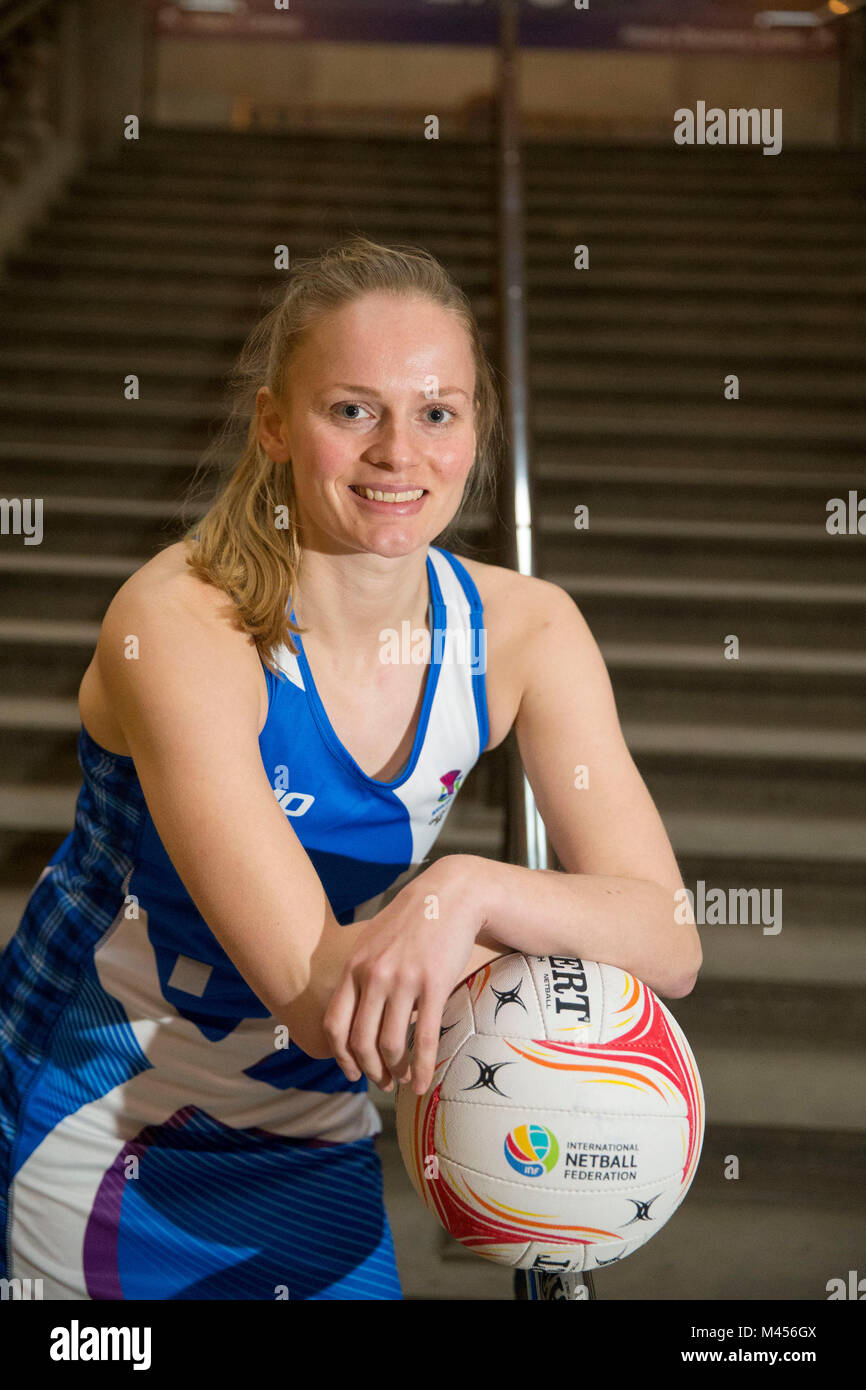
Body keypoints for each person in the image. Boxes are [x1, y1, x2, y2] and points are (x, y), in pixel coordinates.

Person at [0, 237, 701, 1301]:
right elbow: (325, 997)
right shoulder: (181, 625)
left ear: (475, 429)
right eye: (352, 410)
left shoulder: (524, 630)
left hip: (316, 1129)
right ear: (276, 424)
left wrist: (464, 887)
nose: (398, 454)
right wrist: (454, 919)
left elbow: (666, 937)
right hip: (100, 1117)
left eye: (436, 411)